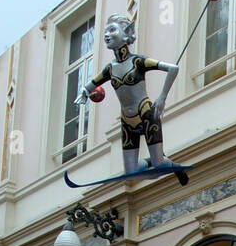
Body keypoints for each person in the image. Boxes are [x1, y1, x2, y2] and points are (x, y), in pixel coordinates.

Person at [76, 15, 179, 174]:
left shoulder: (138, 61)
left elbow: (173, 68)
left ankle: (173, 167)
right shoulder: (110, 68)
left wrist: (162, 98)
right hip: (127, 120)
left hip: (146, 114)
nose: (107, 35)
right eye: (105, 32)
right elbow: (91, 85)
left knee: (160, 164)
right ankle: (153, 159)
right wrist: (84, 93)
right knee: (131, 170)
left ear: (126, 34)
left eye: (112, 30)